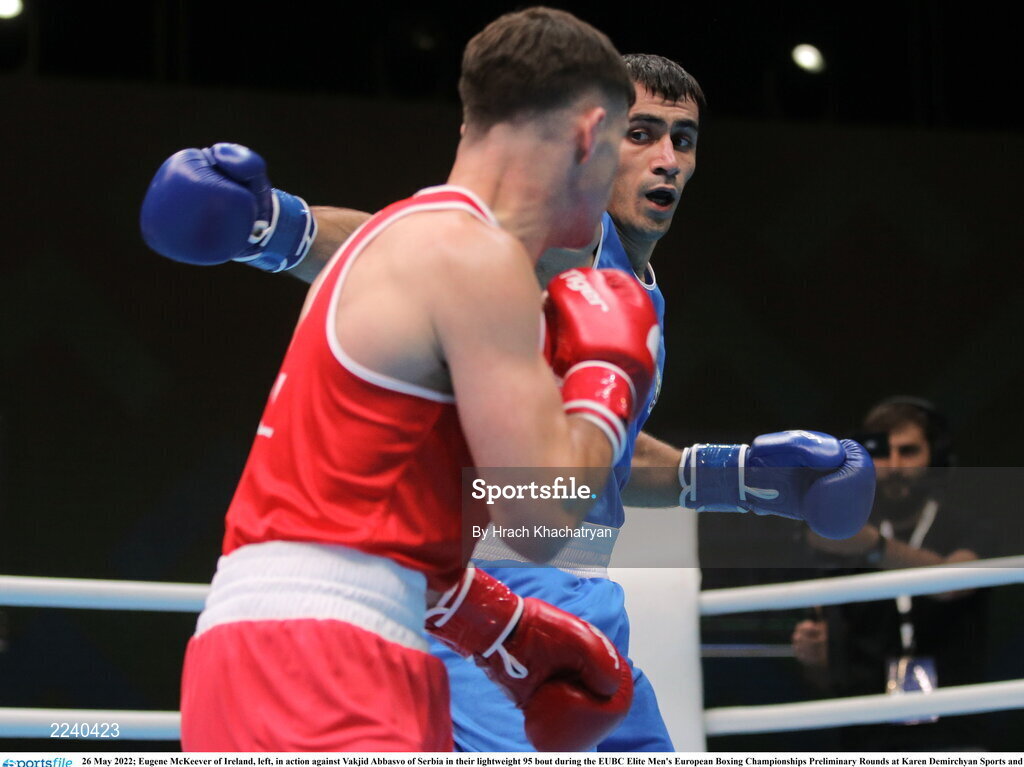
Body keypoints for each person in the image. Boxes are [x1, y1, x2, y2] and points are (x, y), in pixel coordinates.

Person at [142, 53, 875, 750]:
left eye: (683, 140)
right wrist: (276, 227)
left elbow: (593, 456)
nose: (668, 160)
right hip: (494, 596)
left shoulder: (635, 289)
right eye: (642, 133)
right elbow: (407, 249)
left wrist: (733, 476)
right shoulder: (564, 237)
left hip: (564, 607)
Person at [163, 8, 666, 752]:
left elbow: (358, 511)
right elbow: (540, 519)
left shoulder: (385, 241)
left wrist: (504, 628)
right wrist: (607, 375)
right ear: (589, 135)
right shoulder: (478, 259)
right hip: (330, 659)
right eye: (624, 140)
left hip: (280, 642)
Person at [792, 396, 991, 749]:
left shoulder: (968, 526)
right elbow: (825, 679)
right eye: (882, 454)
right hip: (869, 736)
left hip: (959, 730)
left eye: (909, 451)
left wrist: (875, 547)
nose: (894, 465)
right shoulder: (841, 541)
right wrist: (815, 660)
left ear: (936, 458)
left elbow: (954, 584)